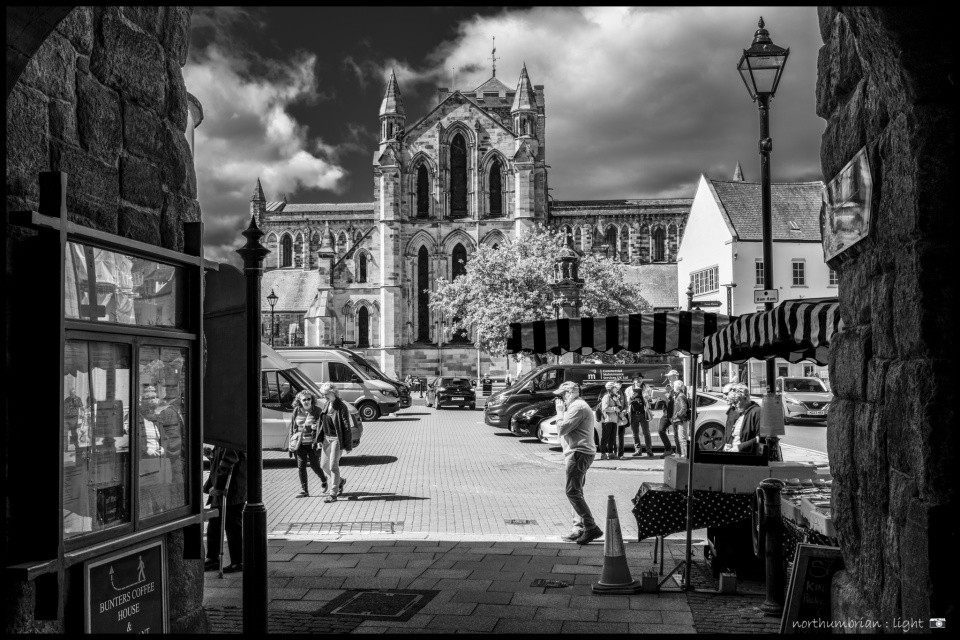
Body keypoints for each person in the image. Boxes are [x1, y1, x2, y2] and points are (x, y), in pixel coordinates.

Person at [552, 381, 602, 544]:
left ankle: (590, 526)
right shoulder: (576, 406)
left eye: (563, 394)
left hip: (579, 453)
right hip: (578, 452)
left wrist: (559, 412)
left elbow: (562, 429)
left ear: (571, 393)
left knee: (572, 492)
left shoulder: (578, 407)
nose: (561, 399)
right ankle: (579, 527)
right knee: (576, 491)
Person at [204, 445, 246, 573]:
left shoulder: (230, 439)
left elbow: (227, 463)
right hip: (225, 491)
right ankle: (213, 558)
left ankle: (238, 561)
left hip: (231, 491)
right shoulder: (223, 440)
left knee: (233, 526)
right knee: (214, 524)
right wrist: (212, 456)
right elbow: (221, 462)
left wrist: (218, 486)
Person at [317, 383, 353, 503]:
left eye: (326, 394)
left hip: (336, 439)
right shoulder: (326, 404)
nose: (325, 397)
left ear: (333, 392)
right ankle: (340, 481)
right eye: (323, 395)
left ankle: (333, 493)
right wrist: (319, 439)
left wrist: (348, 445)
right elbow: (321, 423)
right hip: (326, 439)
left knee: (333, 466)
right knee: (323, 466)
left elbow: (346, 426)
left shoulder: (341, 406)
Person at [289, 390, 328, 498]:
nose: (306, 401)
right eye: (304, 399)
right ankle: (304, 490)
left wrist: (317, 430)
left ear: (312, 400)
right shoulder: (296, 410)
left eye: (308, 399)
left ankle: (324, 479)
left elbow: (323, 426)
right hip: (300, 444)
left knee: (315, 466)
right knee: (301, 466)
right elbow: (292, 427)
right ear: (299, 401)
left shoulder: (317, 411)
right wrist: (291, 443)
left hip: (312, 444)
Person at [723, 383, 763, 454]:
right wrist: (729, 444)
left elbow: (760, 439)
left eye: (736, 402)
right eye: (733, 403)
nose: (734, 406)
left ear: (745, 399)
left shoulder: (756, 412)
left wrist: (739, 447)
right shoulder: (739, 411)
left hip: (746, 456)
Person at [626, 377, 654, 457]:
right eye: (636, 379)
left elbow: (653, 400)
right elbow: (626, 403)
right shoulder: (628, 389)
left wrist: (648, 398)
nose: (638, 381)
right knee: (635, 433)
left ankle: (649, 450)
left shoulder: (647, 388)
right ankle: (638, 450)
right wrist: (631, 397)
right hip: (633, 413)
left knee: (646, 433)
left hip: (643, 413)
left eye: (640, 379)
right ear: (633, 381)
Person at [598, 381, 625, 460]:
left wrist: (617, 401)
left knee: (612, 437)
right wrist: (614, 408)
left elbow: (619, 407)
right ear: (610, 389)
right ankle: (603, 453)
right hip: (607, 420)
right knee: (605, 437)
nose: (616, 389)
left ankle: (610, 453)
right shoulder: (606, 397)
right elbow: (604, 408)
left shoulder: (614, 396)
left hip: (614, 419)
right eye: (614, 388)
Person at [658, 369, 681, 458]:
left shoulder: (680, 386)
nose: (668, 379)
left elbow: (679, 400)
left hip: (675, 414)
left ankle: (678, 452)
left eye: (670, 377)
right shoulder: (669, 387)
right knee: (661, 430)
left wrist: (670, 394)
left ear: (675, 377)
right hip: (667, 413)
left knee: (676, 434)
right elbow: (667, 399)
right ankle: (668, 449)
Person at [671, 380, 690, 458]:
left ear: (677, 387)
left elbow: (684, 408)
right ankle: (684, 454)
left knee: (682, 439)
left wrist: (677, 415)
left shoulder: (680, 396)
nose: (673, 387)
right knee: (682, 438)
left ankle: (684, 455)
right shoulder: (679, 395)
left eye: (674, 386)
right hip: (680, 420)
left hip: (681, 420)